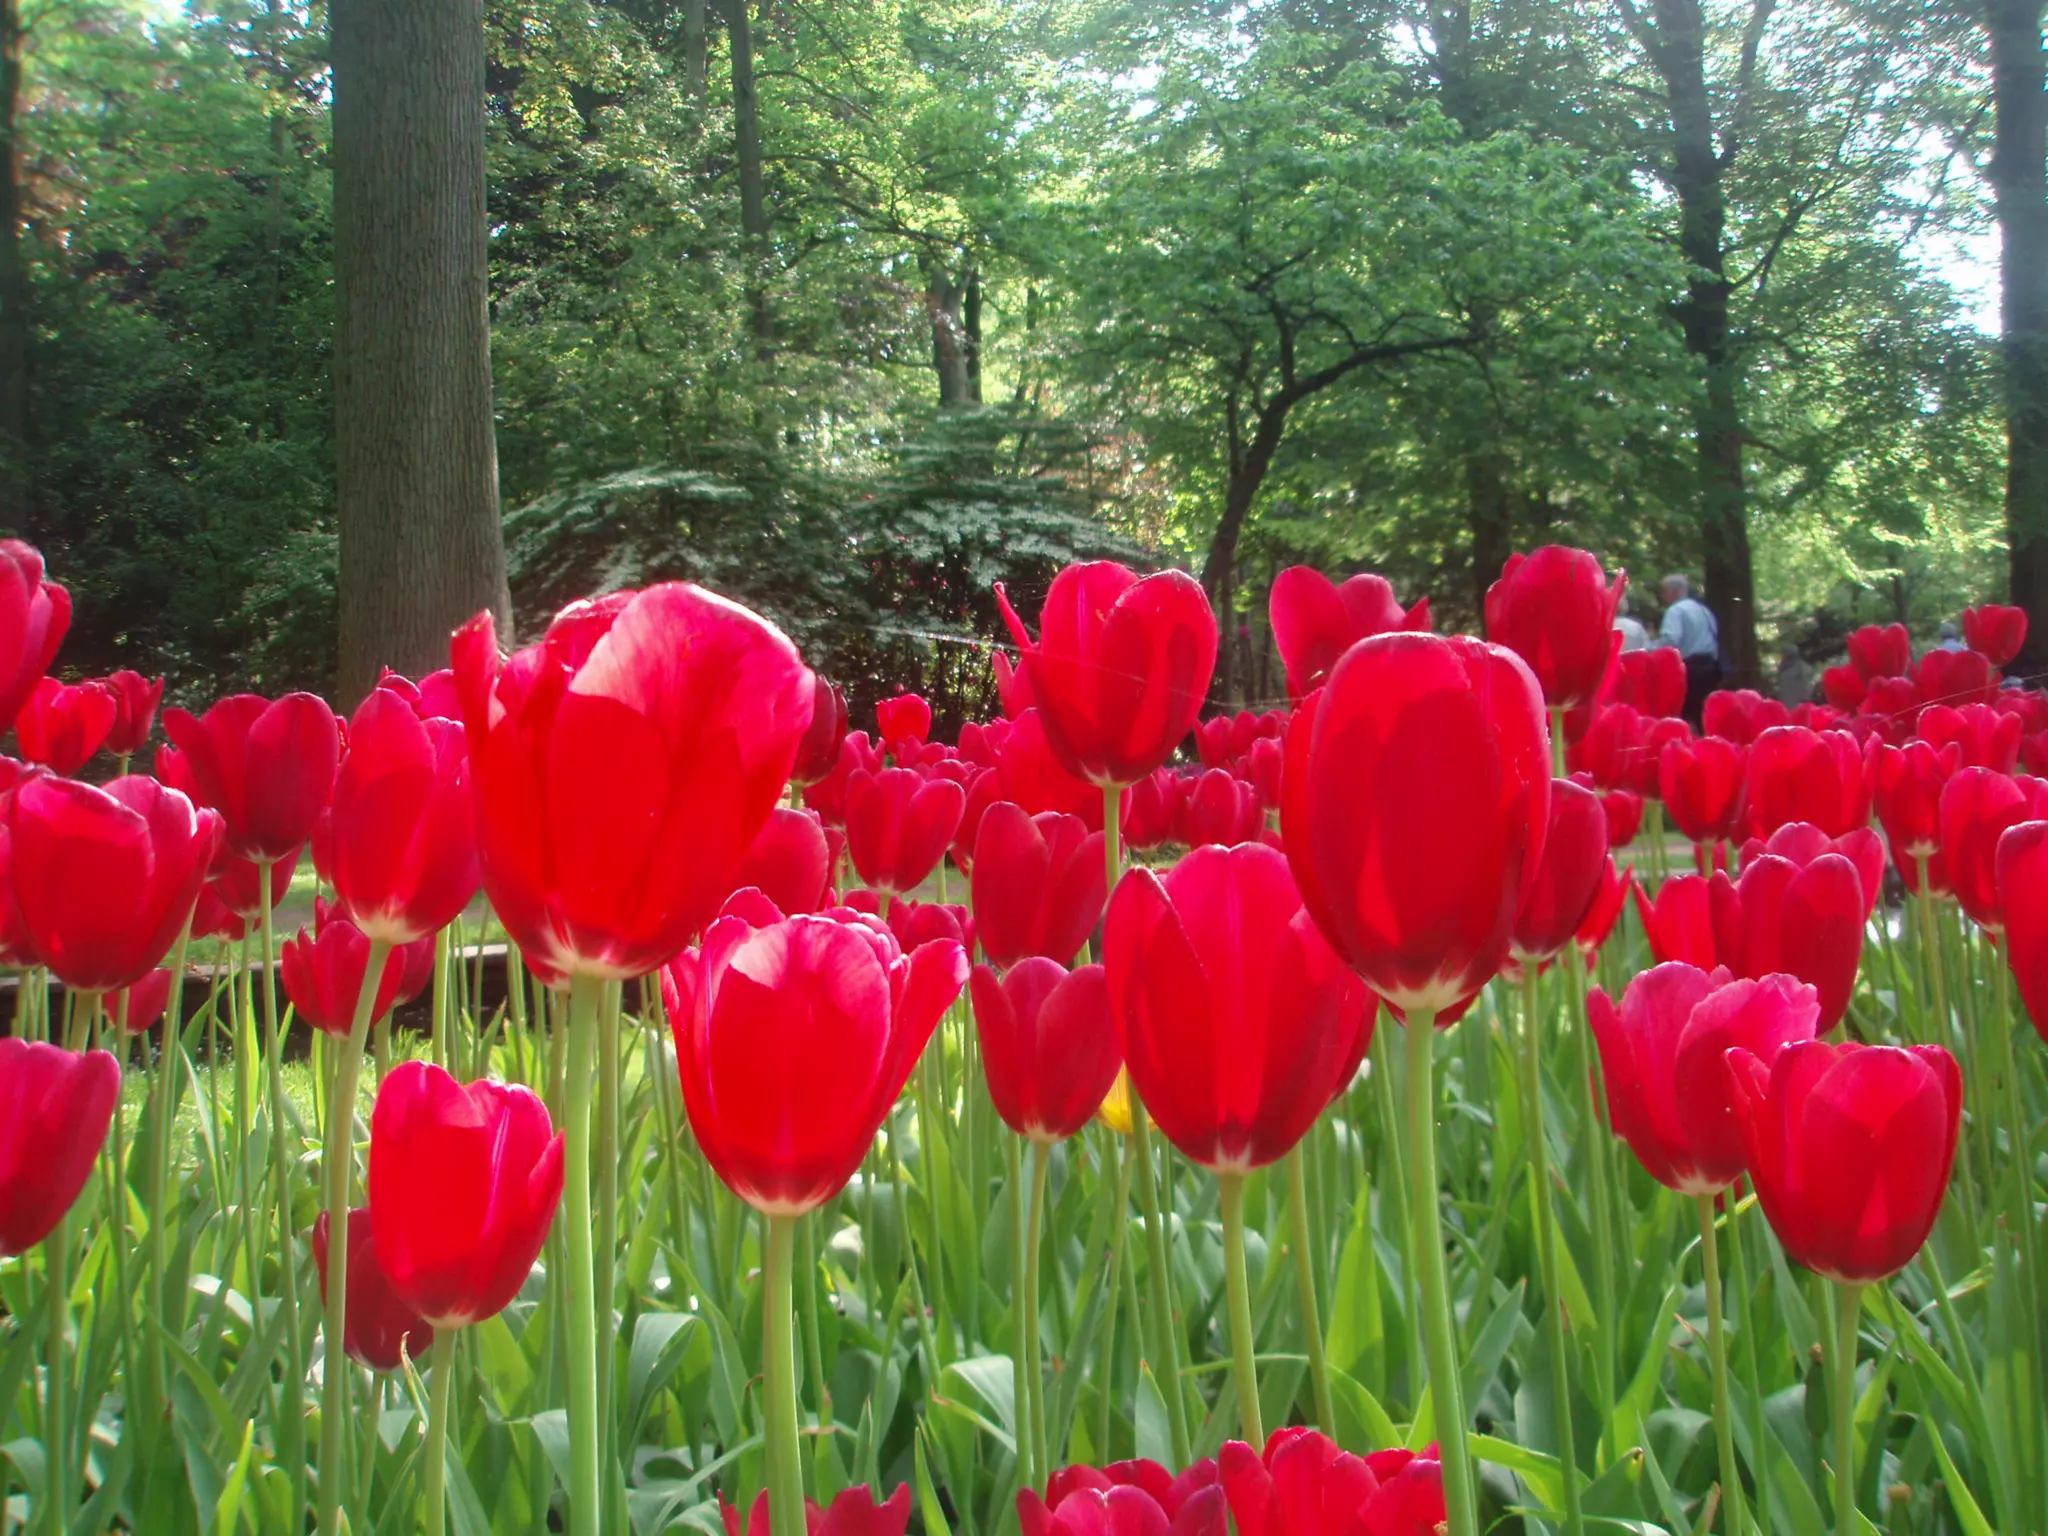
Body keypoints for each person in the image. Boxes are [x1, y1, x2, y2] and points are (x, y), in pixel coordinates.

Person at [1654, 574, 1722, 725]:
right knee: (1703, 716)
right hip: (1710, 668)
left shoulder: (1676, 611)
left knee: (1681, 716)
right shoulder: (1704, 610)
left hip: (1688, 669)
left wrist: (1651, 650)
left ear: (1674, 591)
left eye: (1664, 591)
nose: (1662, 596)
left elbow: (1670, 640)